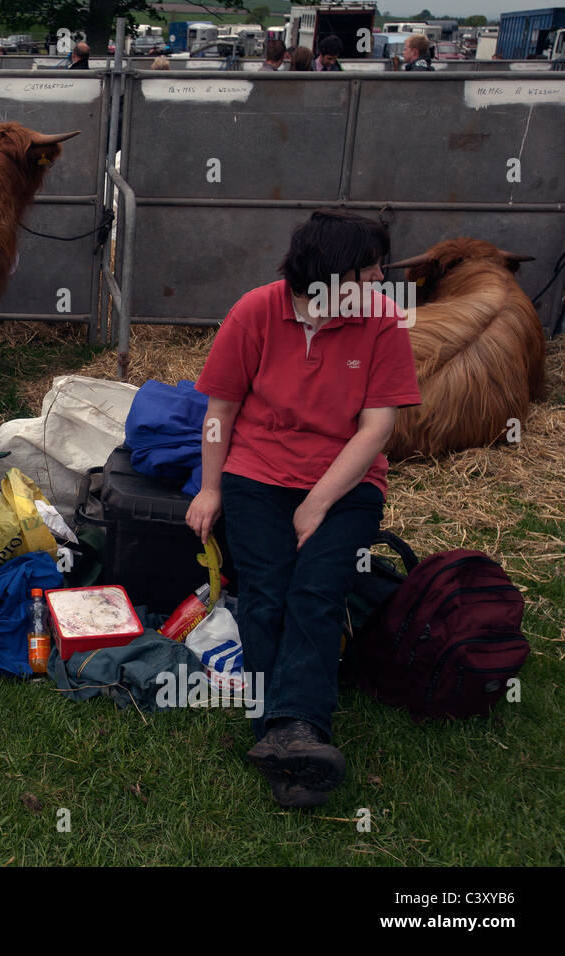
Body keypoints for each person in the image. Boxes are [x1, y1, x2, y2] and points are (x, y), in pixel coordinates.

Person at [186, 210, 421, 810]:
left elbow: (376, 429)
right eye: (366, 272)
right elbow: (222, 410)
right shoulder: (256, 311)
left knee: (317, 591)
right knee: (267, 590)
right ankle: (288, 736)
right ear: (326, 274)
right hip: (257, 475)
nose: (377, 283)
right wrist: (211, 489)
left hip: (345, 483)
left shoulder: (384, 323)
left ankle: (294, 726)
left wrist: (318, 504)